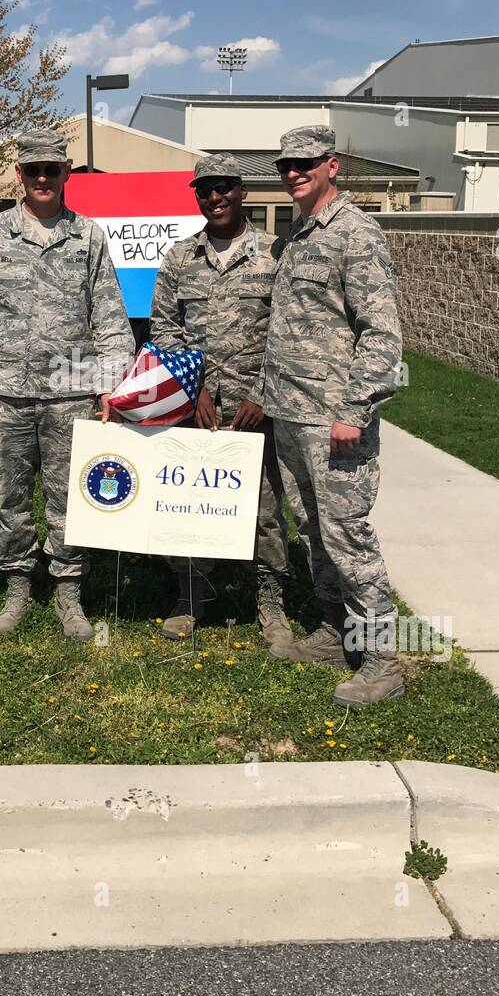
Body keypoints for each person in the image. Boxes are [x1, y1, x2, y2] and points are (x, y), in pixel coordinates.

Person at [0, 129, 135, 641]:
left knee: (72, 498)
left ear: (65, 174)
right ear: (19, 175)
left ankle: (68, 590)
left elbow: (110, 319)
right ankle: (17, 587)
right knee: (7, 496)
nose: (41, 178)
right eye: (32, 170)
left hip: (72, 393)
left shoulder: (89, 237)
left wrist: (109, 387)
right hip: (4, 393)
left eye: (51, 170)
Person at [261, 126, 404, 706]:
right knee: (314, 531)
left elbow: (383, 333)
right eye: (286, 166)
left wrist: (354, 409)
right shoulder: (296, 235)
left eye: (305, 163)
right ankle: (332, 629)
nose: (294, 172)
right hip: (292, 414)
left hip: (334, 423)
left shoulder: (355, 233)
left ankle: (381, 660)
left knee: (348, 535)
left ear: (332, 165)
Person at [149, 153, 292, 651]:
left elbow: (289, 333)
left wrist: (262, 393)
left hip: (258, 410)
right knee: (190, 504)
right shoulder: (179, 257)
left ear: (242, 191)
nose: (215, 197)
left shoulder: (277, 254)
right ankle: (190, 595)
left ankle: (270, 603)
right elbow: (163, 329)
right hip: (197, 413)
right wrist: (193, 391)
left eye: (224, 187)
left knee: (265, 509)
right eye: (205, 189)